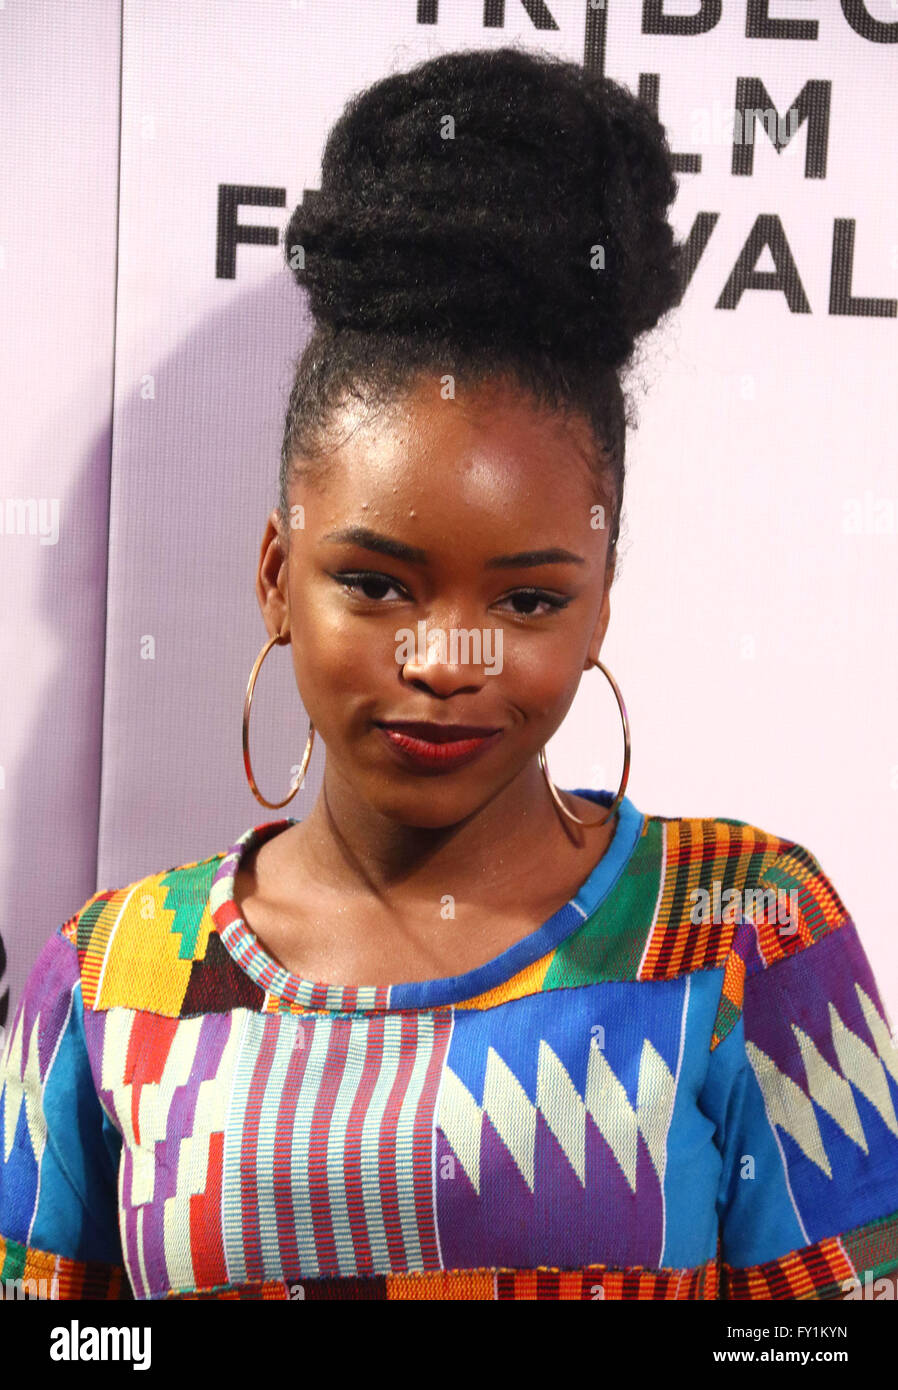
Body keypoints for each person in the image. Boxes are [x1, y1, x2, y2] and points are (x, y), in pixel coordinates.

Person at [1, 45, 896, 1303]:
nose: (444, 659)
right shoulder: (110, 978)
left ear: (599, 606)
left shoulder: (745, 930)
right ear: (275, 572)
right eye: (374, 583)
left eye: (528, 599)